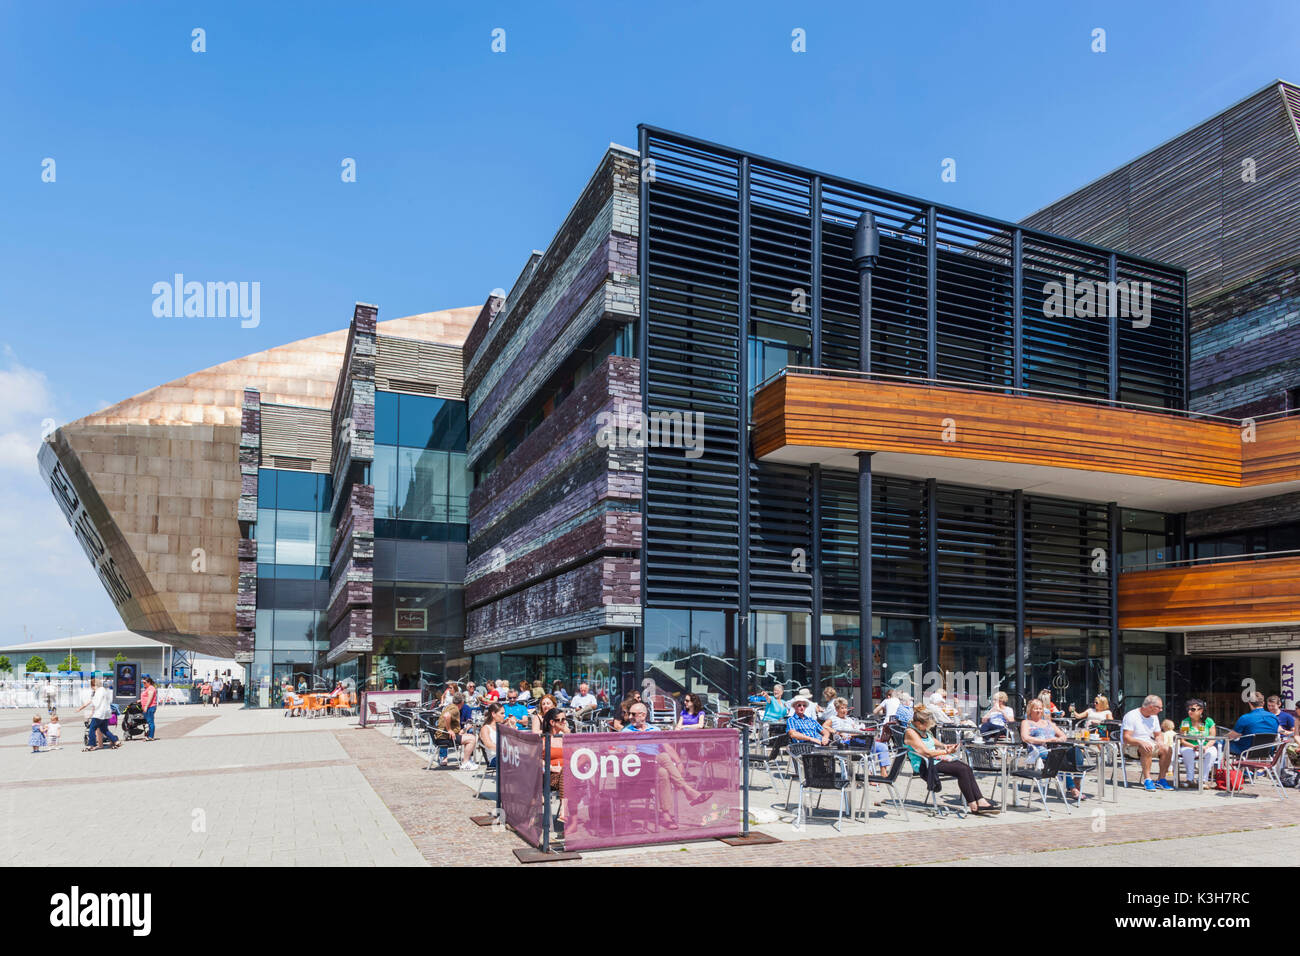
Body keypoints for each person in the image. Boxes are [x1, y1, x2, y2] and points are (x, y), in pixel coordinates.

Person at [620, 702, 712, 829]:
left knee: (663, 773)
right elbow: (619, 751)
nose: (630, 717)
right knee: (663, 756)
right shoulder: (626, 731)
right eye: (629, 714)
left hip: (654, 766)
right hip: (638, 766)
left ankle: (666, 816)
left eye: (633, 714)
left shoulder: (655, 730)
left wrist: (679, 762)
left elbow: (667, 747)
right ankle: (687, 790)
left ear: (643, 715)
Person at [904, 708, 999, 814]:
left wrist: (944, 746)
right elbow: (926, 753)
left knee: (966, 768)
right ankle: (974, 806)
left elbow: (931, 740)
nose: (927, 728)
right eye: (926, 725)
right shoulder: (910, 732)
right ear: (918, 723)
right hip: (924, 764)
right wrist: (946, 751)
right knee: (962, 770)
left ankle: (980, 801)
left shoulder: (922, 730)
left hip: (934, 759)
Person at [1021, 698, 1082, 800]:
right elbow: (1025, 738)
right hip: (1038, 749)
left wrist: (1058, 739)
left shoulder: (1048, 723)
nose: (1038, 711)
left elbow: (1063, 736)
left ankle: (1077, 776)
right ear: (1030, 710)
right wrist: (1046, 741)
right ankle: (1073, 788)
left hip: (1054, 748)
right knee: (1058, 757)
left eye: (1040, 708)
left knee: (1076, 751)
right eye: (1036, 708)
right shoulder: (1026, 722)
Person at [1122, 694, 1173, 790]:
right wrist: (1141, 742)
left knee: (1167, 749)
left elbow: (1158, 734)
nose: (1161, 710)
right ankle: (1147, 780)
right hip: (1130, 745)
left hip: (1148, 743)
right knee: (1146, 747)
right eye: (1159, 707)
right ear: (1151, 707)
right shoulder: (1132, 716)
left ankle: (1161, 780)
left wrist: (1160, 741)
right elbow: (1126, 737)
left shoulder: (1154, 717)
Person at [826, 697, 892, 771]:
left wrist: (859, 728)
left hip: (856, 739)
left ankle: (883, 772)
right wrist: (836, 732)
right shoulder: (833, 718)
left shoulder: (849, 719)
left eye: (845, 708)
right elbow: (824, 726)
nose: (845, 710)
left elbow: (856, 729)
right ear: (836, 709)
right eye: (842, 708)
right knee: (867, 745)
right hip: (846, 743)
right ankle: (869, 773)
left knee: (883, 747)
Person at [1177, 699, 1219, 786]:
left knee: (1212, 752)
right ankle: (1190, 780)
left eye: (1192, 709)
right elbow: (1183, 740)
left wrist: (1205, 747)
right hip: (1189, 746)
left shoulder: (1208, 721)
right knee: (1187, 752)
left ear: (1201, 710)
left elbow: (1212, 738)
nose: (1189, 711)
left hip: (1205, 746)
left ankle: (1203, 780)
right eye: (1188, 709)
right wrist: (1193, 746)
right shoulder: (1186, 722)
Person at [1224, 692, 1280, 757]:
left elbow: (1232, 736)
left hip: (1246, 751)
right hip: (1267, 752)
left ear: (1249, 703)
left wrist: (1224, 736)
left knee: (1221, 743)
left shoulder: (1245, 718)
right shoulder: (1274, 718)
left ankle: (1219, 763)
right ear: (1263, 703)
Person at [541, 708, 568, 834]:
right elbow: (536, 759)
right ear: (552, 722)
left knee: (566, 770)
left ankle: (564, 811)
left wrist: (569, 734)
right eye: (561, 720)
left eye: (565, 719)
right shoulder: (545, 739)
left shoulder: (566, 737)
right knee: (565, 771)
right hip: (551, 775)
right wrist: (550, 767)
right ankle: (564, 811)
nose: (564, 722)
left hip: (568, 775)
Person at [77, 677, 119, 750]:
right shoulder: (105, 691)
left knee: (92, 729)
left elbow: (96, 703)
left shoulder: (98, 691)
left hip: (99, 713)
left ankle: (91, 744)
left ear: (94, 685)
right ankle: (115, 741)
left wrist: (92, 702)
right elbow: (109, 701)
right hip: (106, 713)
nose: (92, 688)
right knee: (104, 729)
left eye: (92, 686)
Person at [477, 702, 503, 769]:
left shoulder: (501, 727)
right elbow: (489, 744)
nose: (504, 715)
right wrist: (506, 751)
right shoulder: (485, 728)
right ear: (493, 714)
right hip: (494, 758)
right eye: (502, 713)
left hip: (504, 756)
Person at [140, 676, 159, 741]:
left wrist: (146, 706)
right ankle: (149, 735)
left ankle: (151, 736)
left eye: (144, 682)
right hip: (147, 707)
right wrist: (140, 700)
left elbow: (150, 698)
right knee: (149, 721)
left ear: (149, 682)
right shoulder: (147, 688)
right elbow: (146, 697)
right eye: (143, 682)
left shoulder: (151, 688)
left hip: (150, 707)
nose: (143, 684)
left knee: (150, 722)